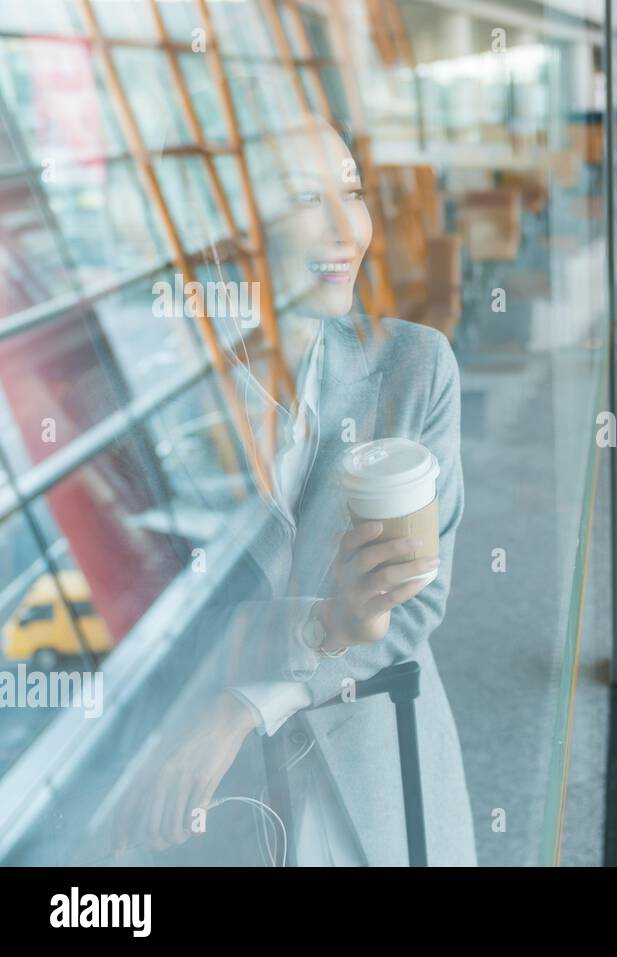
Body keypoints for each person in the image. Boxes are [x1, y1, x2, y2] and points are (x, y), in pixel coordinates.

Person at [110, 117, 476, 866]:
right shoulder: (177, 402)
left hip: (374, 768)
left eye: (352, 191)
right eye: (308, 197)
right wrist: (321, 624)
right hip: (203, 817)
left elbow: (410, 607)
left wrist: (243, 701)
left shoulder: (413, 366)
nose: (346, 228)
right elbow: (170, 636)